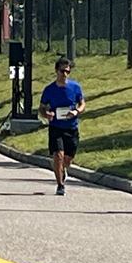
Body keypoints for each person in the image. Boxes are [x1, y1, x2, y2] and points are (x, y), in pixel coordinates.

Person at [39, 56, 86, 196]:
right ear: (56, 71)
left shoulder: (75, 87)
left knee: (68, 158)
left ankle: (62, 169)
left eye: (67, 72)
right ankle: (60, 185)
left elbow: (82, 104)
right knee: (58, 155)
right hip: (56, 127)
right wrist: (47, 115)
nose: (64, 74)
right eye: (62, 71)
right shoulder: (49, 89)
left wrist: (76, 111)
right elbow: (41, 108)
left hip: (71, 127)